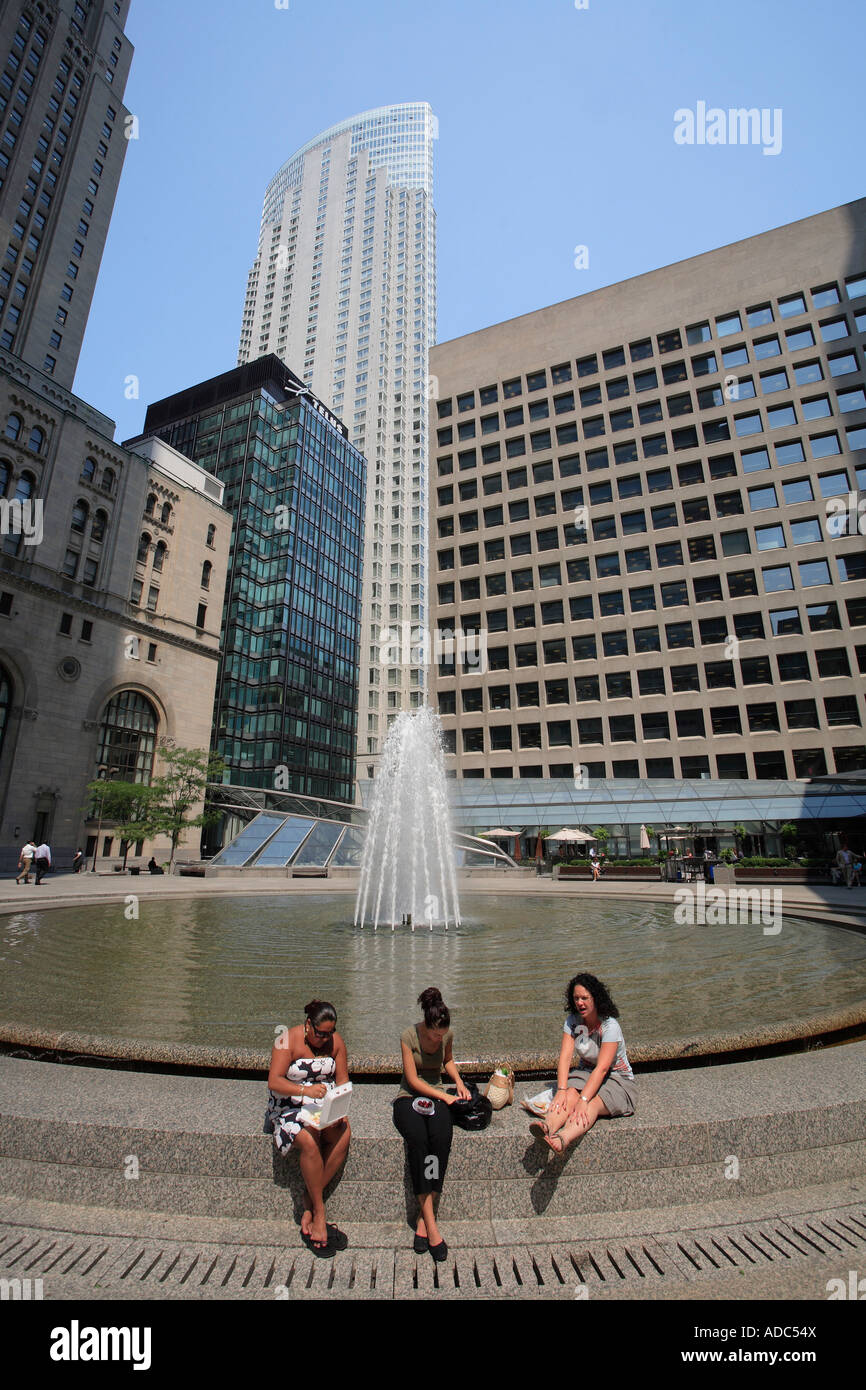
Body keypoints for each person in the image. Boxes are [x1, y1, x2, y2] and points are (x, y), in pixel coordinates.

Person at [265, 1000, 351, 1256]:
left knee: (343, 1134)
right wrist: (305, 1090)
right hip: (287, 1106)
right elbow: (274, 1081)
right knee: (310, 1141)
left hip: (322, 1106)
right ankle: (319, 1213)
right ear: (307, 1025)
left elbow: (343, 1080)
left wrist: (339, 1110)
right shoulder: (286, 1040)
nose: (325, 1038)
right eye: (320, 1033)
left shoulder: (336, 1043)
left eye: (329, 1033)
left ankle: (307, 1201)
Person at [392, 986, 470, 1261]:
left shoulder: (447, 1034)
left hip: (437, 1096)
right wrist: (443, 1098)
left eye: (442, 1035)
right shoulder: (408, 1035)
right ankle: (432, 1224)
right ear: (426, 1025)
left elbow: (447, 1061)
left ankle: (424, 1221)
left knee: (440, 1140)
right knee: (419, 1143)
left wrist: (458, 1083)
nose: (439, 1040)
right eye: (435, 1035)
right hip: (409, 1097)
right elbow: (412, 1081)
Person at [530, 972, 636, 1155]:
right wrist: (561, 1090)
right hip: (586, 1072)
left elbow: (603, 1068)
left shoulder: (610, 1026)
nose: (580, 1003)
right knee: (569, 1094)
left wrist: (584, 1099)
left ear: (596, 998)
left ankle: (563, 1139)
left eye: (585, 998)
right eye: (576, 998)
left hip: (618, 1079)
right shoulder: (572, 1021)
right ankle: (547, 1127)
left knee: (590, 1104)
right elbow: (564, 1057)